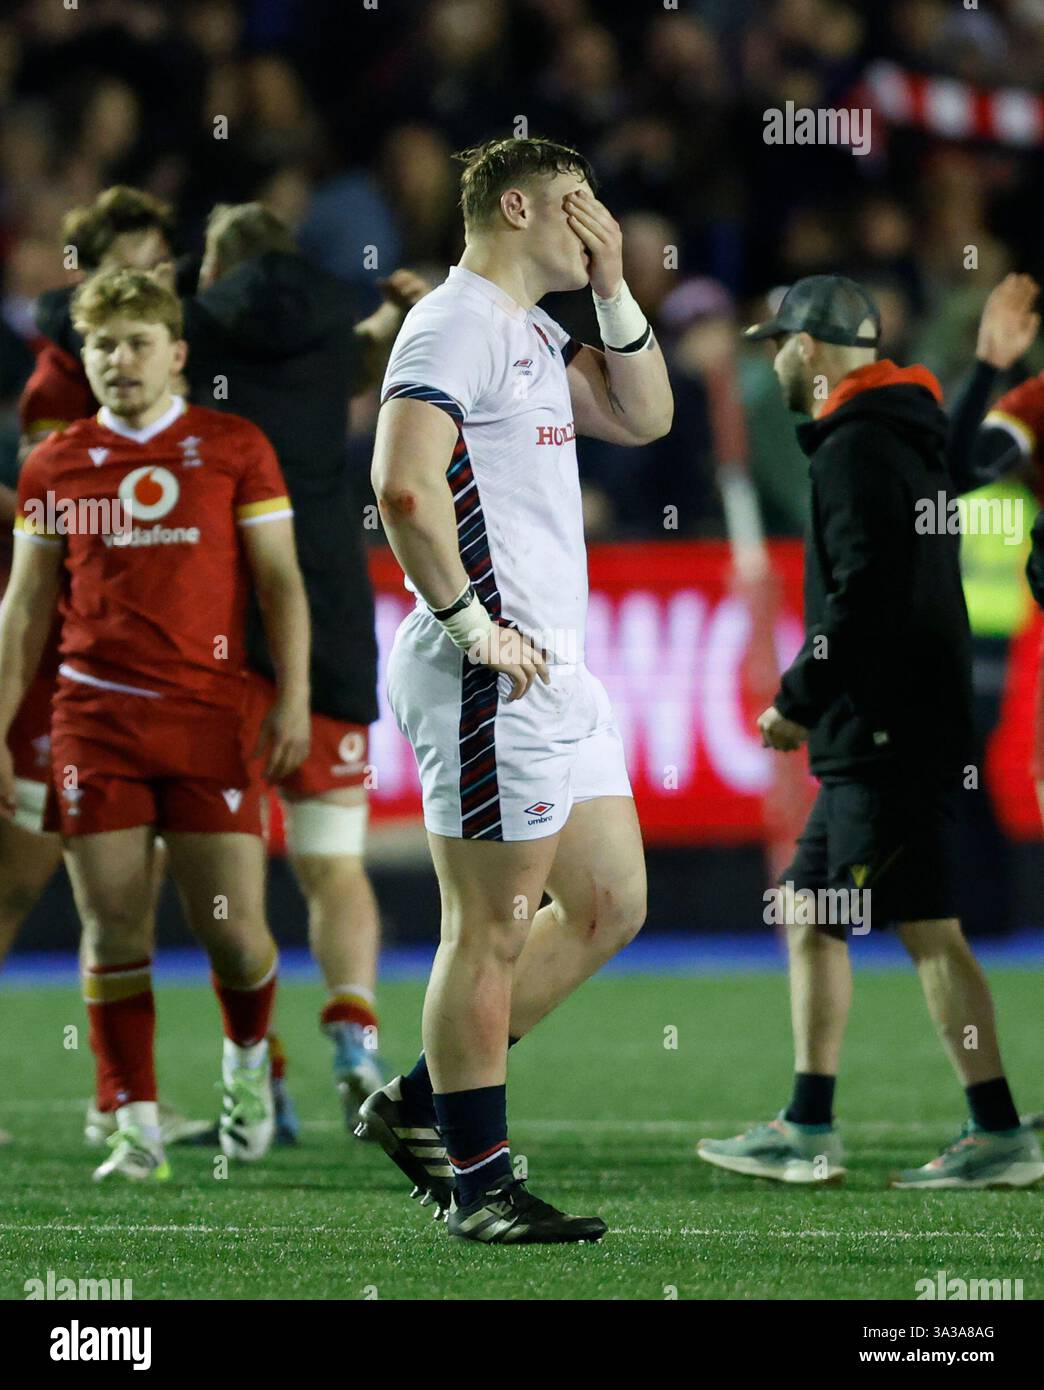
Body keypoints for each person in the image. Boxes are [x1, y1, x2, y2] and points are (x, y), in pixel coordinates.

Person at [363, 135, 673, 1243]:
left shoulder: (533, 329)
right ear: (516, 204)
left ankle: (417, 1102)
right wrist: (470, 627)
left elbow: (647, 416)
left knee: (607, 906)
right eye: (577, 201)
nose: (594, 218)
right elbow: (402, 486)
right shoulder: (452, 321)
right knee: (490, 921)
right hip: (490, 672)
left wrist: (615, 288)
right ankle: (482, 1186)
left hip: (555, 672)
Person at [697, 274, 1044, 1189]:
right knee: (828, 913)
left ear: (807, 347)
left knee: (915, 929)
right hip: (899, 728)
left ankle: (984, 1130)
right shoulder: (900, 424)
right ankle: (815, 1122)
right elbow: (958, 458)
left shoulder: (854, 445)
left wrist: (797, 697)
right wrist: (985, 373)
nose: (772, 356)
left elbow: (864, 596)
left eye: (778, 341)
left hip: (882, 733)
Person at [0, 269, 311, 1181]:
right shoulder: (56, 464)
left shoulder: (231, 446)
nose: (118, 360)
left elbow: (280, 583)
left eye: (137, 342)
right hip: (92, 724)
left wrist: (291, 697)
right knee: (112, 926)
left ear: (176, 353)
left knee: (234, 931)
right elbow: (23, 614)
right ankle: (133, 1118)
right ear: (85, 357)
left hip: (211, 721)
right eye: (102, 345)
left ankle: (247, 1065)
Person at [185, 201, 430, 1134]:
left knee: (223, 880)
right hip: (328, 616)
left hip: (218, 630)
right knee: (333, 863)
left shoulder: (189, 335)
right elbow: (382, 345)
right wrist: (399, 309)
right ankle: (354, 1031)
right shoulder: (333, 339)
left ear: (215, 267)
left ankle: (261, 1083)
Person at [1, 186, 210, 1151]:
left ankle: (117, 1095)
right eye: (140, 262)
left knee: (129, 898)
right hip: (54, 673)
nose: (158, 281)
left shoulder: (161, 393)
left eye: (165, 267)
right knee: (16, 883)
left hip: (125, 684)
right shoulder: (59, 391)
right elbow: (72, 541)